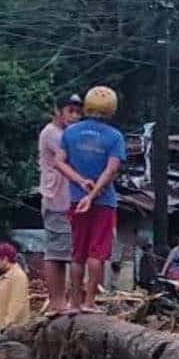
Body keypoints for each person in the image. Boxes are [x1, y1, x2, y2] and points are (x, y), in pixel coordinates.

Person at [62, 86, 127, 310]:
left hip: (76, 201)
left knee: (78, 253)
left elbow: (59, 162)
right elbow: (110, 171)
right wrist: (93, 194)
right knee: (96, 253)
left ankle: (73, 302)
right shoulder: (115, 137)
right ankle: (89, 302)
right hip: (104, 203)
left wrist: (81, 183)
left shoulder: (70, 132)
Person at [39, 94, 84, 313]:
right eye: (70, 111)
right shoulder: (53, 134)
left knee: (70, 253)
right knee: (56, 253)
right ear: (58, 111)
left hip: (71, 201)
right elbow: (73, 158)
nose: (75, 116)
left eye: (78, 112)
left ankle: (67, 300)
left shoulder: (67, 134)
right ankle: (57, 302)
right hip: (57, 199)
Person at [0, 242, 31, 329]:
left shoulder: (18, 276)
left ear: (5, 259)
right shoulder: (3, 277)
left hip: (10, 332)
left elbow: (17, 304)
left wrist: (5, 326)